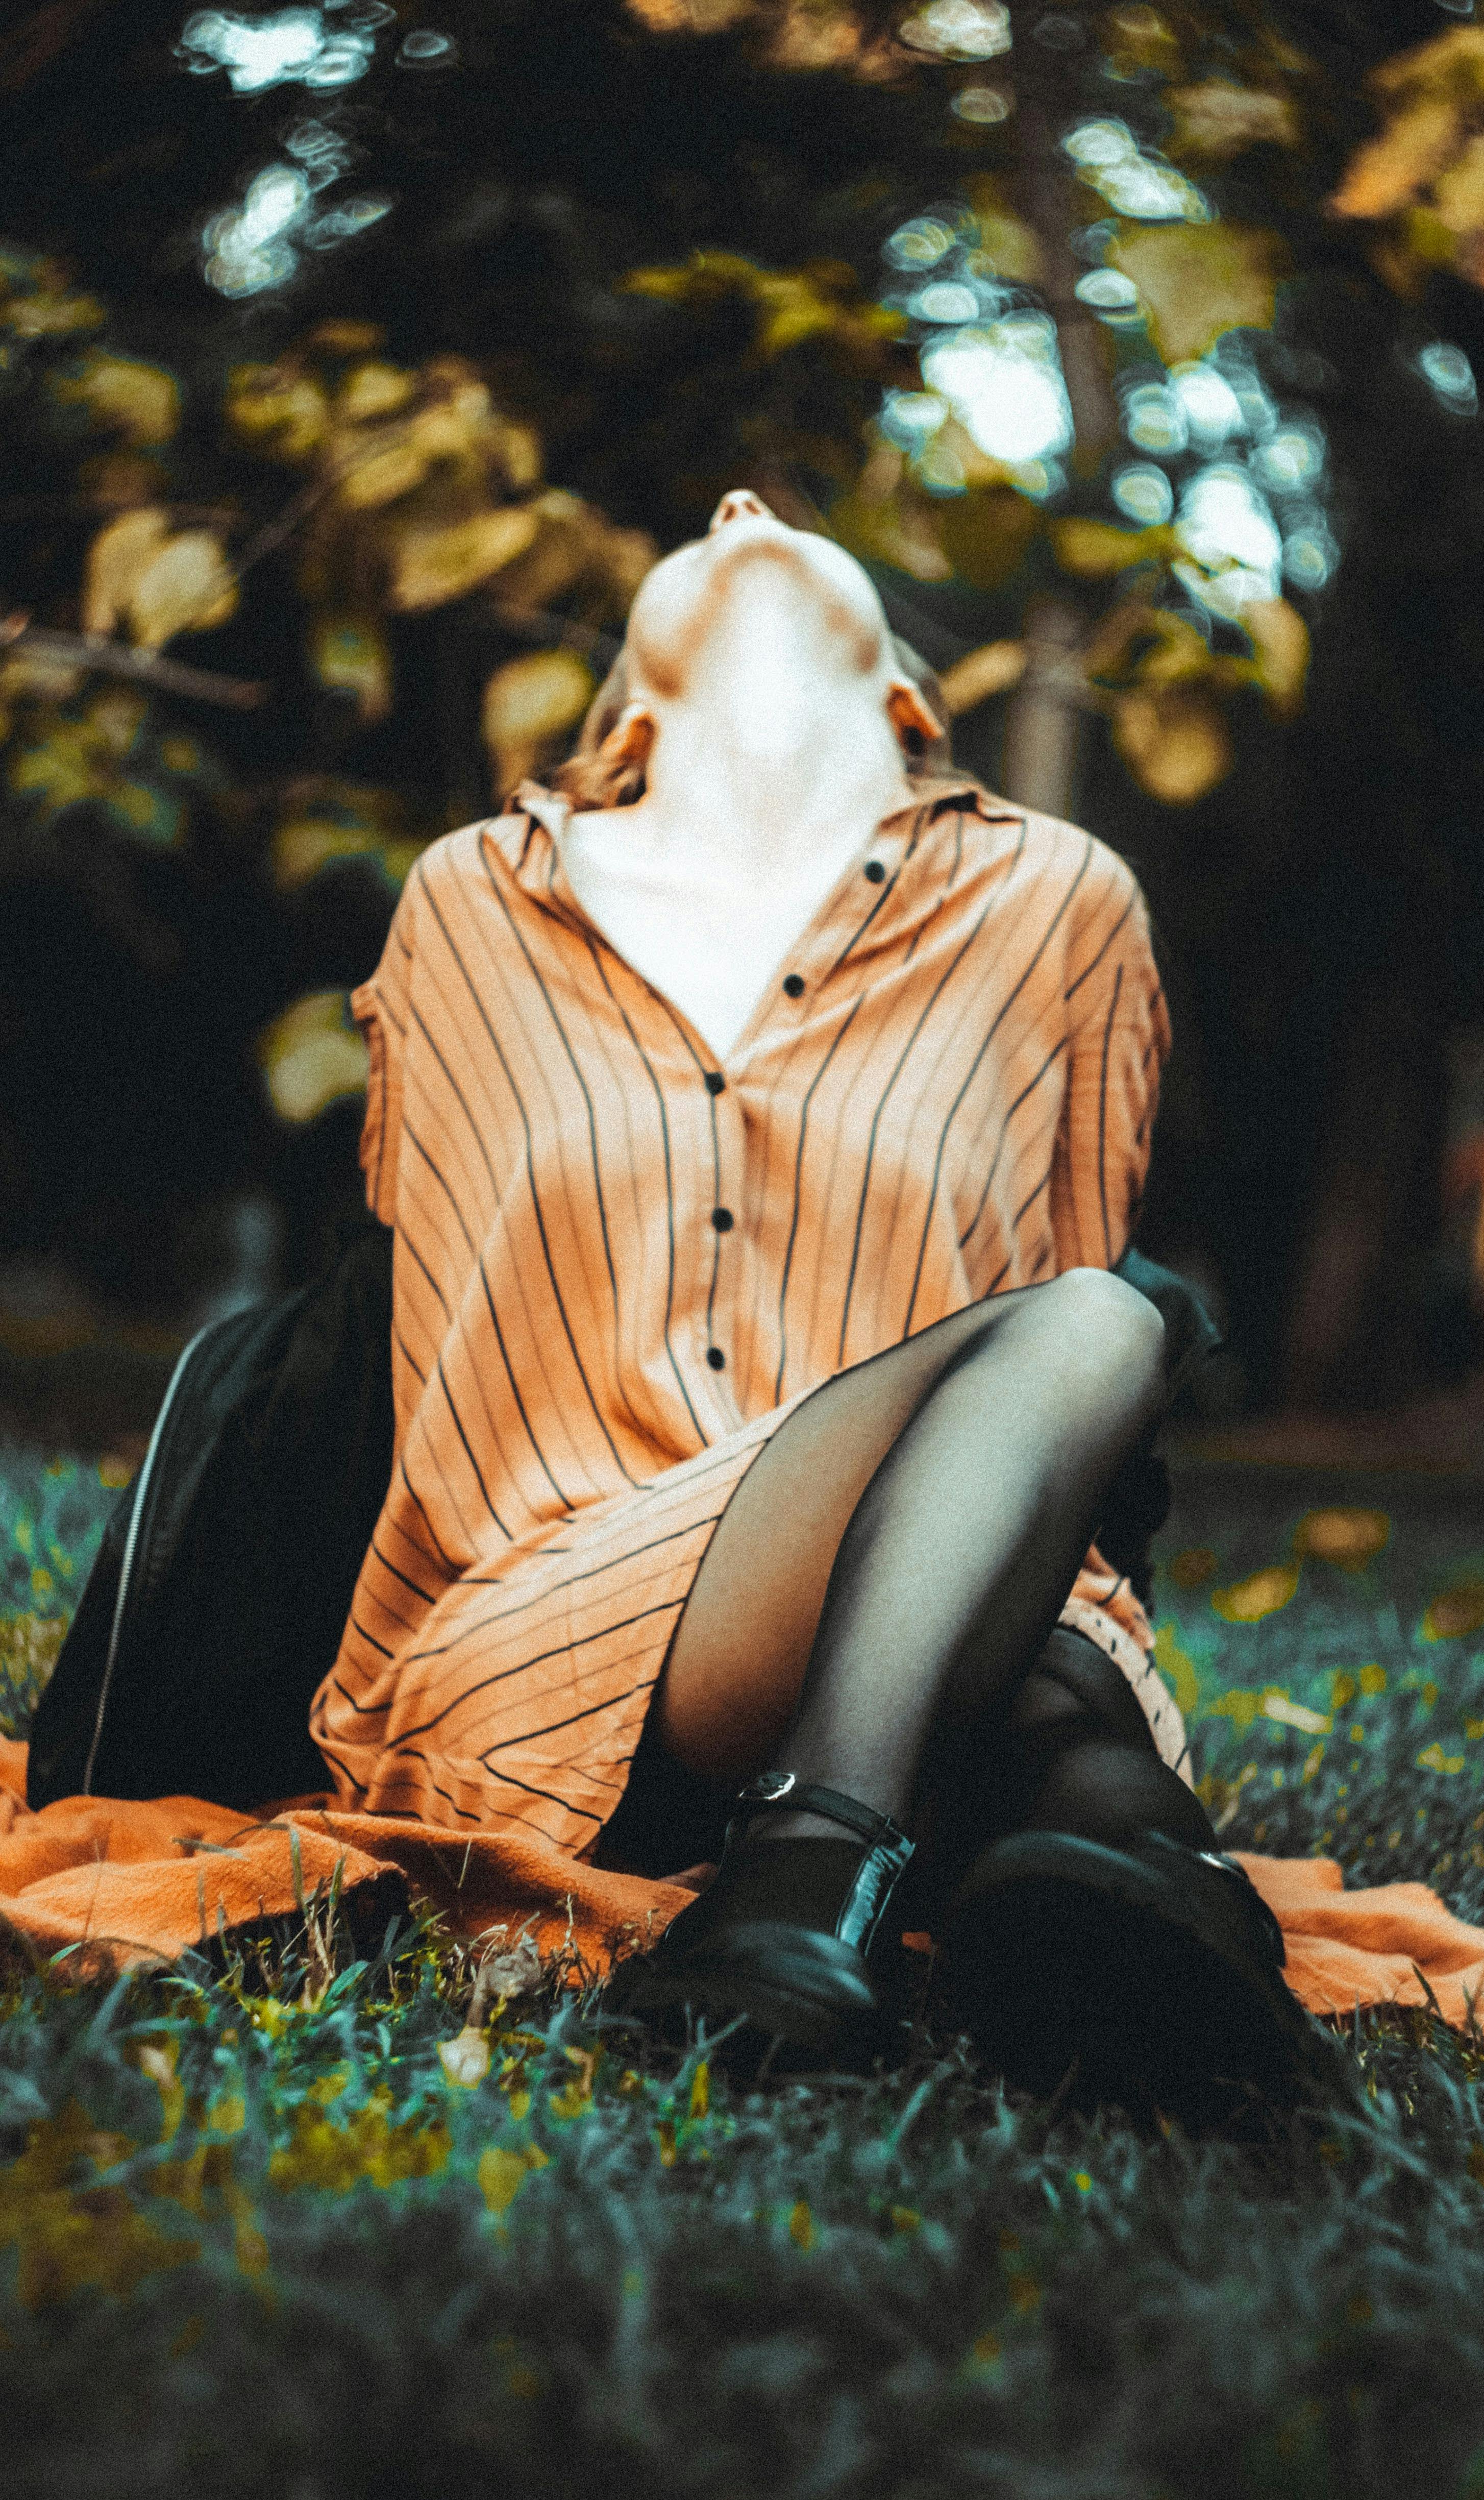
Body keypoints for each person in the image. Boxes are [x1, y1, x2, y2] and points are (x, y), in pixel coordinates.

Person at [308, 489, 1314, 2122]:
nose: (738, 505)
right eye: (707, 520)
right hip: (563, 1618)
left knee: (1082, 1408)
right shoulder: (470, 906)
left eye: (772, 512)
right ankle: (974, 1857)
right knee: (1100, 1323)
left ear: (909, 706)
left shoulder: (1058, 906)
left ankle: (908, 1890)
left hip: (974, 1598)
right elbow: (424, 1324)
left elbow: (1061, 1324)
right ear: (626, 715)